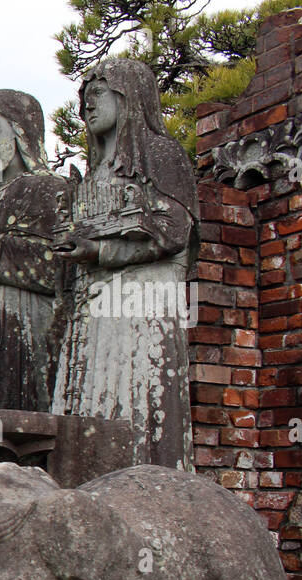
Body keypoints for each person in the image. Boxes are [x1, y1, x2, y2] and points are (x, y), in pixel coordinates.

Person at [49, 58, 199, 469]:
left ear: (128, 96)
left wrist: (101, 249)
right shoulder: (91, 176)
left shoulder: (162, 154)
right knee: (86, 409)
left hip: (140, 307)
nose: (86, 106)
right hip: (88, 312)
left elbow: (174, 231)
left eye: (96, 94)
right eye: (83, 98)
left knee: (135, 407)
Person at [0, 90, 69, 411]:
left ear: (20, 129)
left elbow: (60, 267)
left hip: (26, 328)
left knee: (19, 415)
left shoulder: (50, 188)